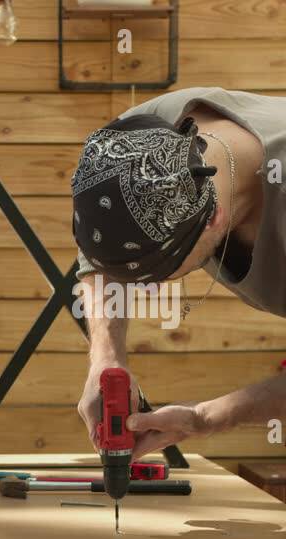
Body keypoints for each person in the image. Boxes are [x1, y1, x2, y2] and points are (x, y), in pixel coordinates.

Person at [71, 86, 286, 461]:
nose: (147, 293)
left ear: (213, 218)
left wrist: (209, 417)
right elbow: (109, 246)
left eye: (158, 276)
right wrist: (106, 358)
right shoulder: (141, 138)